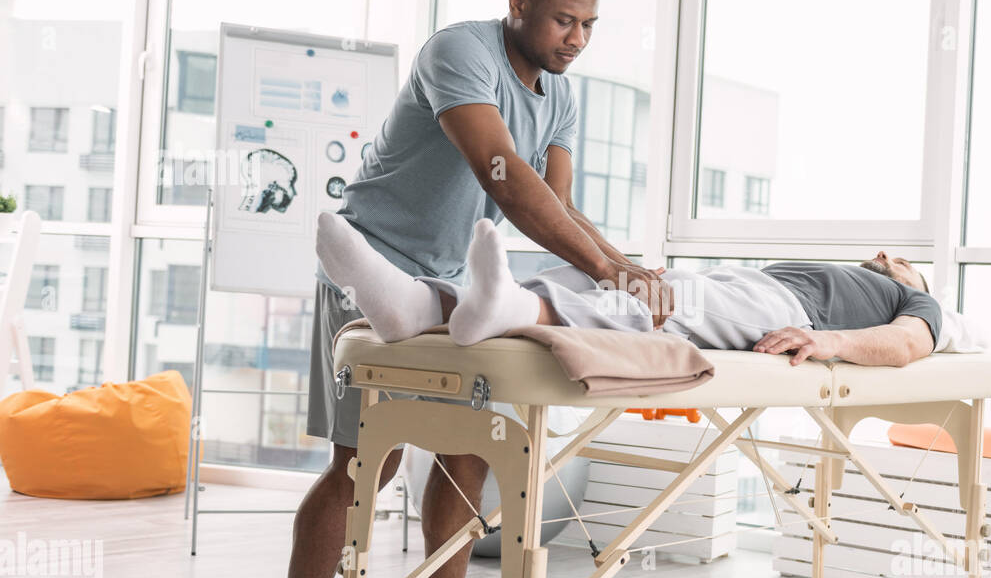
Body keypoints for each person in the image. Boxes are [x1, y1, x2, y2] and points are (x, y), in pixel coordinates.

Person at [254, 0, 672, 578]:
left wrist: (624, 265)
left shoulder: (560, 93)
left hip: (448, 292)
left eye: (588, 24)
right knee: (363, 465)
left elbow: (561, 209)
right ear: (517, 5)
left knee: (465, 451)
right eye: (561, 19)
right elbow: (505, 181)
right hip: (367, 270)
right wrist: (613, 271)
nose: (575, 37)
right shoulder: (459, 52)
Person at [315, 213, 958, 373]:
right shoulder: (869, 277)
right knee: (603, 279)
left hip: (784, 314)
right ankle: (424, 306)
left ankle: (507, 310)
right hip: (744, 286)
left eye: (899, 262)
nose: (883, 259)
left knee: (641, 308)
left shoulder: (917, 303)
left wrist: (828, 341)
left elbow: (908, 346)